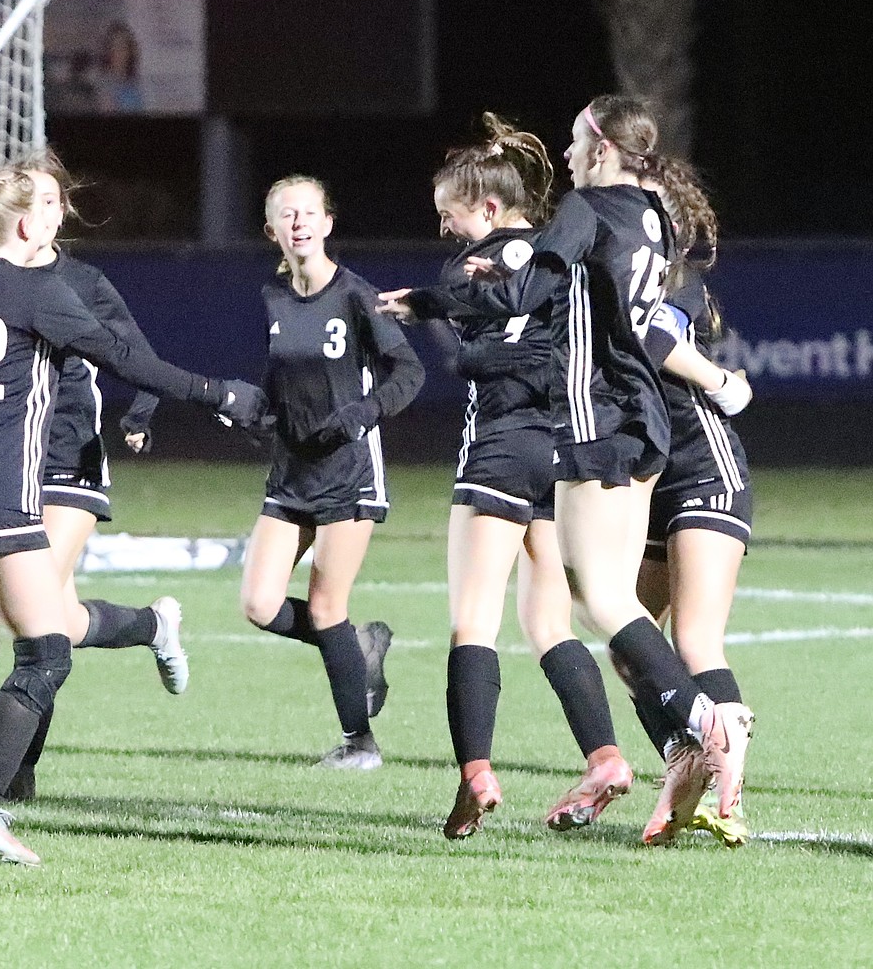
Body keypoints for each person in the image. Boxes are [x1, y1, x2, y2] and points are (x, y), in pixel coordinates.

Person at [0, 165, 261, 864]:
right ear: (26, 225)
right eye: (48, 212)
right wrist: (217, 393)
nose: (57, 221)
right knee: (46, 653)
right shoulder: (39, 289)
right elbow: (122, 357)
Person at [380, 95, 752, 827]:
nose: (570, 152)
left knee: (602, 599)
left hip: (597, 416)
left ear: (605, 147)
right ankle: (686, 743)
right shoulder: (653, 214)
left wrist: (431, 300)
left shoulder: (587, 204)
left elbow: (527, 290)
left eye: (579, 140)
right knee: (593, 604)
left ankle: (703, 723)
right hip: (645, 419)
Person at [380, 116, 629, 838]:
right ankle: (605, 756)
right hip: (560, 447)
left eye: (449, 214)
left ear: (487, 210)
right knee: (548, 621)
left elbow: (467, 357)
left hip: (499, 445)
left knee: (473, 619)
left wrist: (424, 308)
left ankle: (475, 776)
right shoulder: (560, 253)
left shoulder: (472, 266)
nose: (444, 230)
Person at [6, 152, 189, 805]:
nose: (45, 212)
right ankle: (150, 625)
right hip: (9, 465)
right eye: (32, 200)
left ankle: (15, 770)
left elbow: (132, 353)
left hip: (68, 461)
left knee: (35, 619)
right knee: (55, 615)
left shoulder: (81, 282)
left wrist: (143, 409)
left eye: (54, 200)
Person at [239, 176, 419, 771]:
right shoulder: (272, 295)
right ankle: (357, 646)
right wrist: (258, 412)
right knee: (259, 604)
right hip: (290, 473)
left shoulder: (357, 296)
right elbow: (279, 378)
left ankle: (359, 744)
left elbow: (408, 371)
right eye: (287, 215)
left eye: (310, 212)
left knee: (324, 607)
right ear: (272, 231)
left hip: (349, 472)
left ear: (327, 223)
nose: (299, 222)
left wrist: (363, 415)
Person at [626, 248, 757, 846]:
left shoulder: (669, 273)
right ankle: (683, 755)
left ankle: (728, 797)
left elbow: (652, 336)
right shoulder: (593, 271)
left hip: (703, 467)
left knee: (694, 637)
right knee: (629, 636)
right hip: (643, 472)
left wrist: (724, 382)